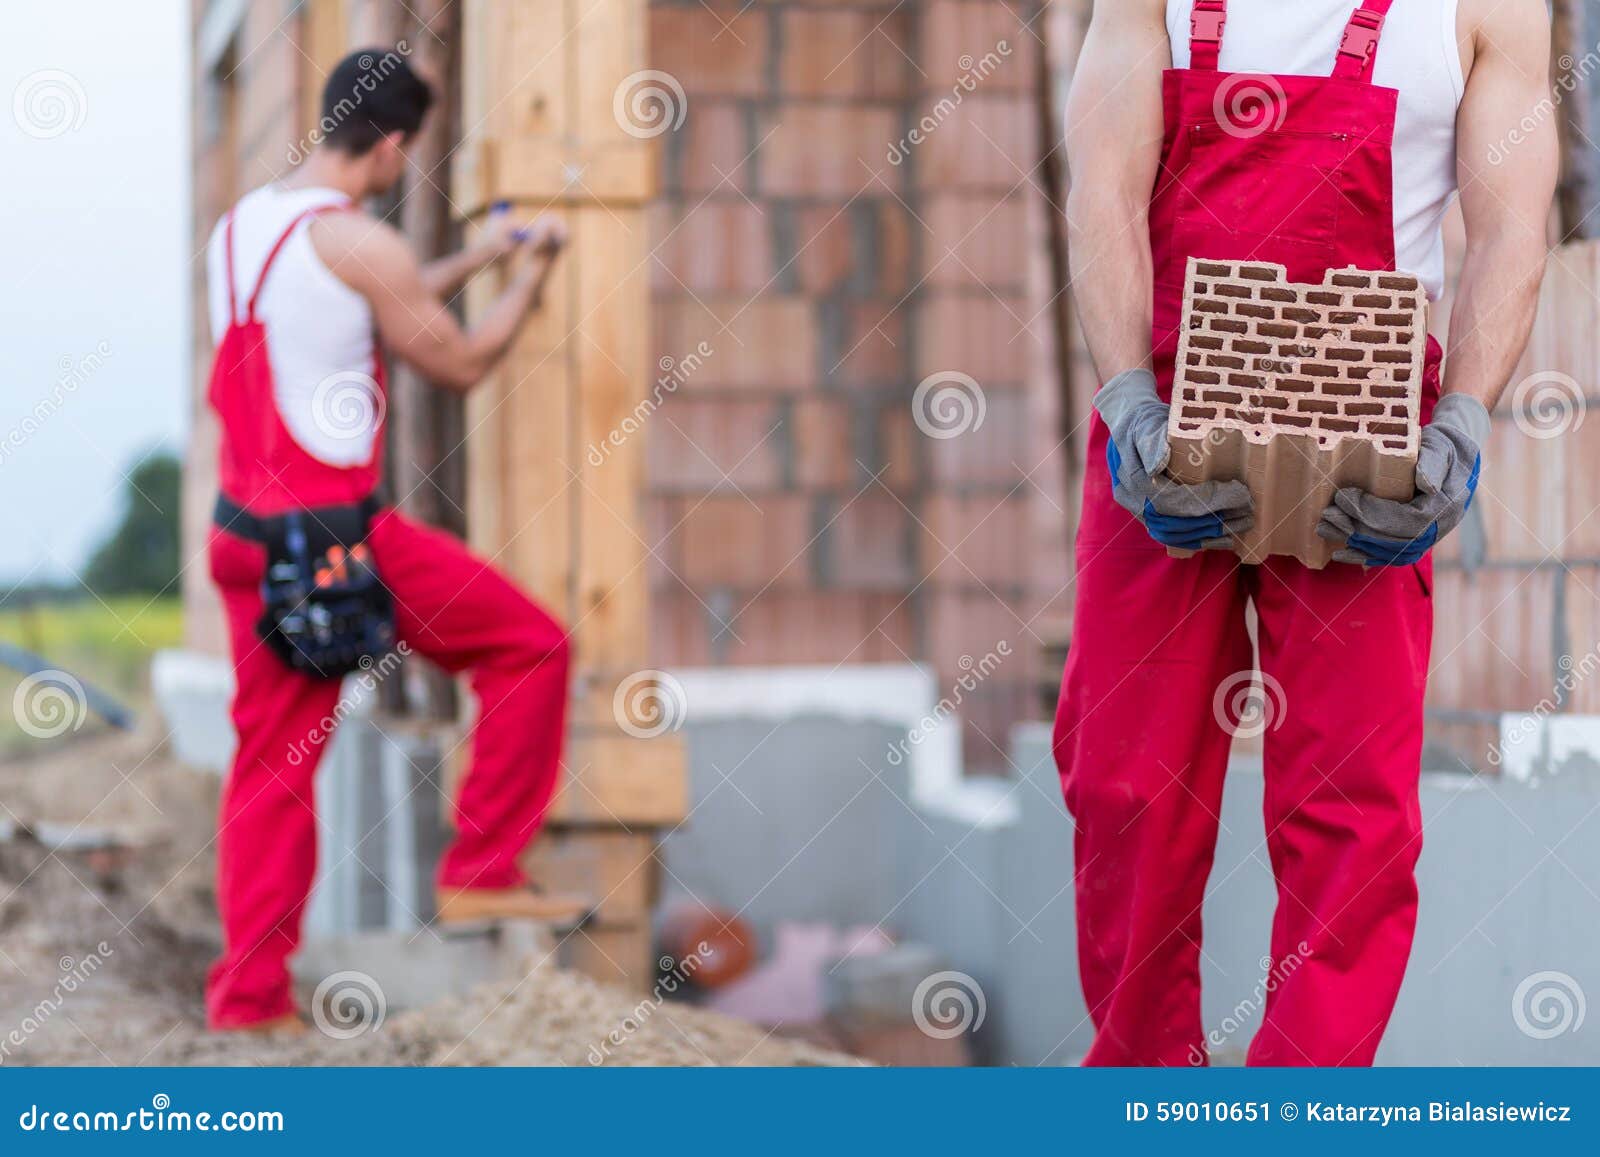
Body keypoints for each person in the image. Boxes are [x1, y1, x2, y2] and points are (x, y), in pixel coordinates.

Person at [1054, 0, 1556, 1065]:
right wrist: (1128, 406)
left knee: (1352, 807)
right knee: (1123, 777)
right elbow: (1098, 187)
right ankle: (1143, 1092)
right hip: (1167, 415)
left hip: (1369, 429)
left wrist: (1458, 425)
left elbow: (1513, 223)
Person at [203, 48, 587, 1034]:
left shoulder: (243, 228)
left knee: (270, 771)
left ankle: (247, 1001)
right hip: (329, 541)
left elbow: (367, 301)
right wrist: (531, 278)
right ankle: (482, 868)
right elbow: (453, 359)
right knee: (531, 645)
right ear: (395, 145)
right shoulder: (358, 241)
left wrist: (480, 257)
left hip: (245, 536)